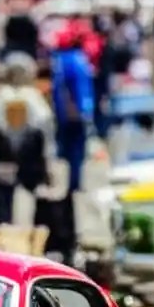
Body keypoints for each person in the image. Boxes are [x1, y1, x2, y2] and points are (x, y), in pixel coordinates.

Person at [51, 31, 95, 193]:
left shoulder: (59, 61)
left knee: (69, 150)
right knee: (77, 151)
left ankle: (72, 182)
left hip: (64, 113)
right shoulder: (78, 60)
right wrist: (85, 111)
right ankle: (75, 183)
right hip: (76, 113)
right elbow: (81, 90)